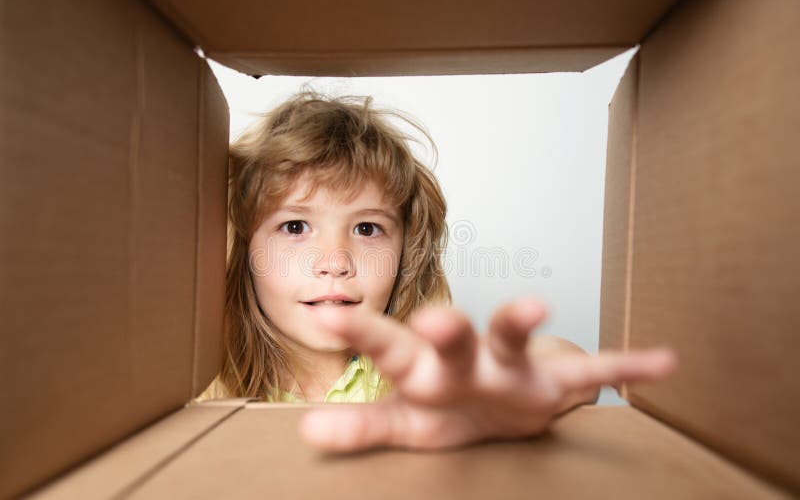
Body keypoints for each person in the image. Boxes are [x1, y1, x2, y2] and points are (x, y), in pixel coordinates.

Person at [195, 88, 677, 453]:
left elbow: (558, 364)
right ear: (243, 249)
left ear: (406, 252)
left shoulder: (425, 373)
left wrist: (508, 382)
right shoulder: (204, 383)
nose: (335, 262)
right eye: (295, 225)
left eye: (367, 229)